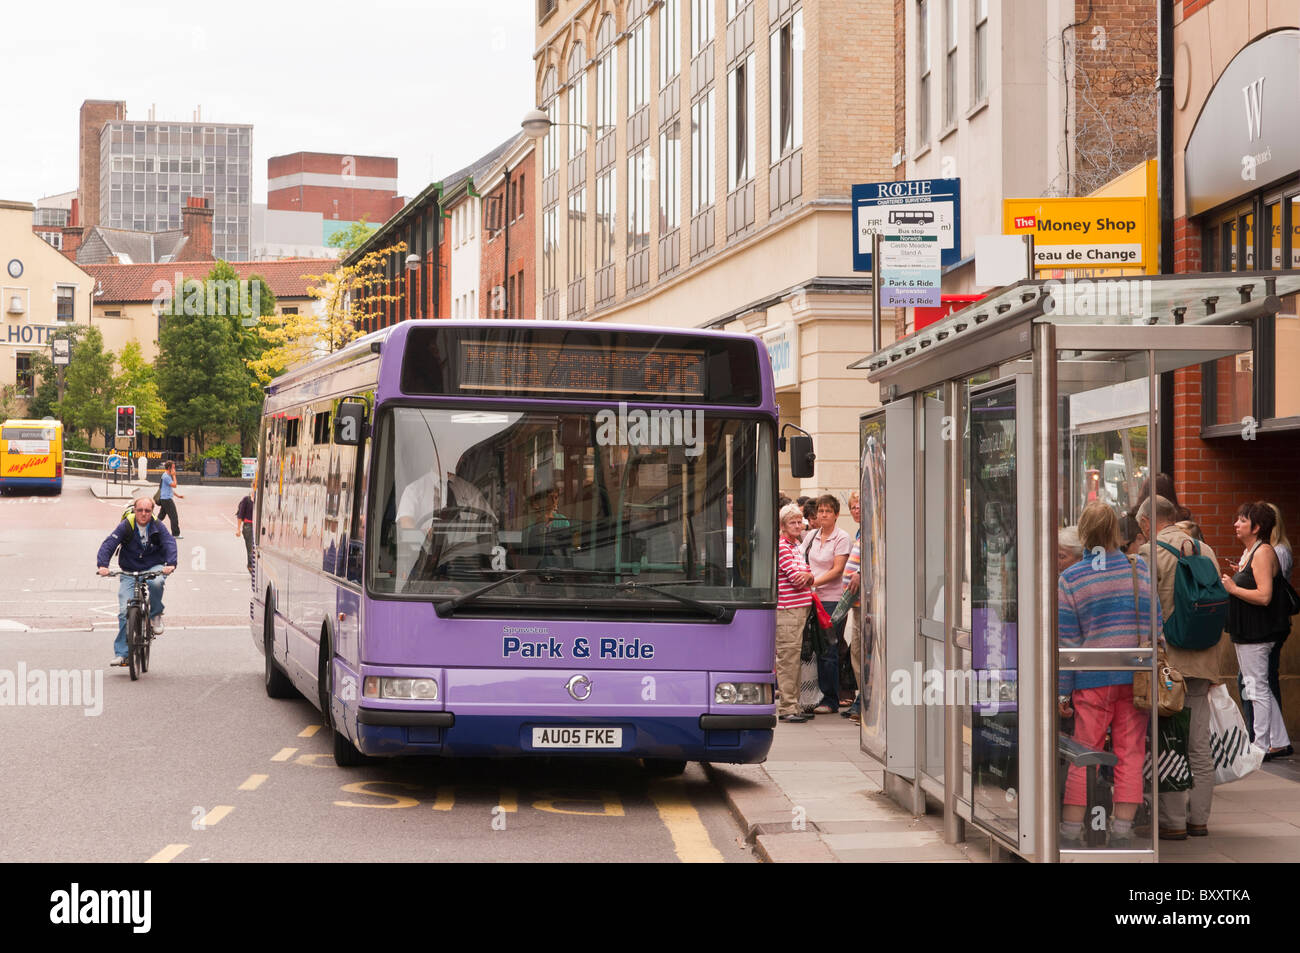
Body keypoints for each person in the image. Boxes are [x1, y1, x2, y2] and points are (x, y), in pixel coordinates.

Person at [1058, 501, 1157, 848]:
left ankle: (1071, 831)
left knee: (1084, 754)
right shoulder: (1138, 569)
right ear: (1116, 531)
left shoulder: (1071, 577)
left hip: (1091, 680)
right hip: (1135, 677)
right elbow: (1156, 625)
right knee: (1130, 753)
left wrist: (1062, 693)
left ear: (1084, 533)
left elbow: (1067, 642)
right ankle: (1121, 831)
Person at [1138, 495, 1225, 839]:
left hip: (1168, 664)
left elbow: (1144, 610)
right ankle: (1199, 819)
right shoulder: (1206, 551)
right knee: (1198, 743)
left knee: (1169, 741)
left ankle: (1172, 823)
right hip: (1203, 658)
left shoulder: (1149, 554)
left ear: (1146, 522)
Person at [1222, 501, 1293, 761]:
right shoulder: (1252, 551)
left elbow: (1264, 596)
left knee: (1255, 688)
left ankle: (1260, 744)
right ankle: (1279, 739)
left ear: (1257, 527)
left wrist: (1233, 588)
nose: (1236, 524)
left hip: (1257, 633)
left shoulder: (1263, 552)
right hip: (1247, 632)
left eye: (1242, 520)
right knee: (1258, 685)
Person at [96, 497, 178, 666]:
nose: (143, 514)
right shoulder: (127, 524)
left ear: (152, 512)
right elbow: (109, 544)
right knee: (123, 611)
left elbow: (169, 542)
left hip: (152, 566)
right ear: (134, 509)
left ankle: (155, 615)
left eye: (147, 511)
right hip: (129, 569)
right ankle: (123, 654)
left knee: (156, 583)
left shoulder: (157, 525)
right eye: (140, 510)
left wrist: (171, 563)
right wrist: (103, 565)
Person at [803, 494, 853, 715]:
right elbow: (799, 557)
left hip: (833, 600)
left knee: (829, 649)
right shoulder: (812, 535)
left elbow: (837, 570)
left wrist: (813, 581)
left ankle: (831, 699)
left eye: (827, 511)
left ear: (836, 514)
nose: (823, 515)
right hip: (812, 598)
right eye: (820, 511)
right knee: (813, 647)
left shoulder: (842, 537)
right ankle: (813, 694)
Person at [776, 503, 815, 723]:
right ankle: (787, 707)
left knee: (795, 658)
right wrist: (807, 577)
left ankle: (795, 704)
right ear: (783, 525)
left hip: (800, 609)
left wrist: (808, 576)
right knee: (788, 658)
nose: (798, 525)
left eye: (800, 522)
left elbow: (809, 574)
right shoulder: (783, 547)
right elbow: (797, 578)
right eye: (793, 522)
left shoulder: (796, 546)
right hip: (788, 611)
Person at [841, 491, 864, 722]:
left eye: (859, 506)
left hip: (865, 603)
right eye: (853, 507)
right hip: (856, 602)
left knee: (860, 652)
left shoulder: (874, 529)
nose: (856, 510)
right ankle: (862, 698)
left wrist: (858, 572)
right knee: (856, 653)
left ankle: (864, 701)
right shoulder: (860, 531)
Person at [158, 461, 183, 538]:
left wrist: (177, 496)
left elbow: (169, 489)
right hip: (167, 499)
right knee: (174, 516)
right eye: (173, 468)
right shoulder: (166, 476)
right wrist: (174, 476)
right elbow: (174, 485)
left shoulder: (166, 476)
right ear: (169, 468)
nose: (174, 469)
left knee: (161, 516)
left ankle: (150, 527)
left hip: (165, 498)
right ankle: (175, 534)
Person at [235, 486, 255, 573]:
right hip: (248, 526)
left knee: (257, 550)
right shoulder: (246, 500)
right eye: (256, 486)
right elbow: (240, 515)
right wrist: (238, 529)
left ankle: (252, 567)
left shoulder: (262, 499)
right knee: (250, 549)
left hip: (259, 527)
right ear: (253, 486)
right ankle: (251, 567)